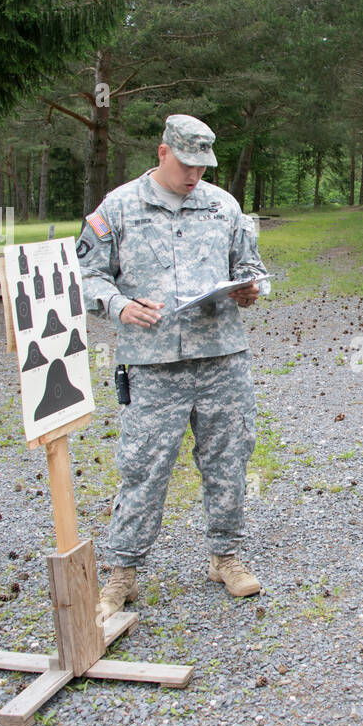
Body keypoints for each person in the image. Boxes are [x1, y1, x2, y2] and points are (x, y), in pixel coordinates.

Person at [77, 114, 269, 621]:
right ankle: (122, 572)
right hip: (153, 363)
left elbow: (251, 268)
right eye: (186, 165)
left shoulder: (223, 205)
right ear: (162, 152)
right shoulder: (118, 207)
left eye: (202, 167)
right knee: (144, 467)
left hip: (221, 357)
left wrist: (250, 289)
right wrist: (119, 306)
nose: (194, 176)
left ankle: (225, 556)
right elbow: (86, 276)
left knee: (228, 459)